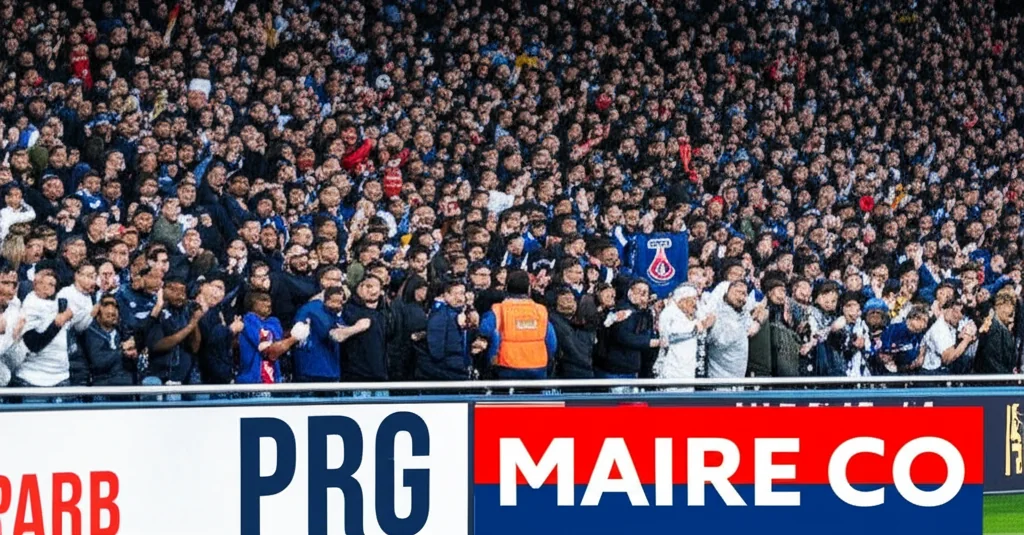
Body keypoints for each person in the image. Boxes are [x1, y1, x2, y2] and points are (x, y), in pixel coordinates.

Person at [480, 270, 557, 380]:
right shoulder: (541, 311)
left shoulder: (498, 310)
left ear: (506, 288)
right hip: (538, 369)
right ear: (529, 289)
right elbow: (552, 343)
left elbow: (484, 331)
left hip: (505, 369)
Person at [12, 269, 75, 388]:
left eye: (51, 285)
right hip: (32, 377)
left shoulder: (60, 304)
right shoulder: (30, 305)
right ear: (35, 284)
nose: (47, 287)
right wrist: (57, 324)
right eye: (43, 283)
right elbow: (33, 344)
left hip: (60, 376)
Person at [294, 287, 370, 383]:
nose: (338, 305)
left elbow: (340, 326)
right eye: (334, 301)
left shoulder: (335, 313)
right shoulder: (314, 309)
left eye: (341, 302)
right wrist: (358, 327)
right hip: (314, 372)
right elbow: (334, 335)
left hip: (330, 371)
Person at [237, 291, 305, 387]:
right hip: (253, 380)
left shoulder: (274, 322)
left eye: (269, 300)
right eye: (263, 300)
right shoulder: (249, 320)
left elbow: (278, 343)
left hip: (274, 378)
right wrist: (295, 337)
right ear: (251, 303)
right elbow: (268, 351)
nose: (268, 304)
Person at [655, 284, 715, 390]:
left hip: (687, 370)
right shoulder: (669, 313)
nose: (695, 304)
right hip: (672, 370)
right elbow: (670, 337)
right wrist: (696, 328)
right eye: (693, 300)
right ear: (683, 300)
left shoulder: (689, 315)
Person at [145, 277, 202, 386]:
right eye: (173, 289)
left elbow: (195, 347)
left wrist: (194, 320)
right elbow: (157, 345)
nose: (179, 294)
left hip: (183, 375)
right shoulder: (156, 311)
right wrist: (190, 326)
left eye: (182, 290)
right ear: (163, 291)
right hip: (159, 374)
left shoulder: (188, 310)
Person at [706, 281, 766, 380]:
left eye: (744, 294)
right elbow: (718, 341)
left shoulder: (742, 314)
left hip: (738, 380)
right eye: (737, 292)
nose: (741, 297)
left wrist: (758, 321)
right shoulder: (717, 314)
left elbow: (763, 309)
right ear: (726, 293)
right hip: (719, 380)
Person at [341, 275, 391, 387]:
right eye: (365, 286)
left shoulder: (384, 313)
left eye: (372, 287)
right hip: (356, 375)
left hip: (381, 375)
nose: (369, 290)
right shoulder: (349, 310)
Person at [421, 280, 474, 380]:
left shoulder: (464, 313)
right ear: (445, 295)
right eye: (455, 294)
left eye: (462, 293)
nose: (459, 298)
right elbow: (436, 347)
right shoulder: (440, 315)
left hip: (461, 367)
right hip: (448, 370)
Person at [83, 297, 135, 388]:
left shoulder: (123, 332)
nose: (111, 310)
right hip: (102, 384)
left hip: (126, 382)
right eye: (106, 305)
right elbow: (98, 361)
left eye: (114, 306)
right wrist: (121, 350)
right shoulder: (91, 332)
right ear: (98, 311)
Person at [549, 286, 596, 379]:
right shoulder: (555, 322)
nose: (569, 303)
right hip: (567, 374)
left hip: (582, 372)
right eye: (565, 300)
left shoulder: (583, 325)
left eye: (572, 300)